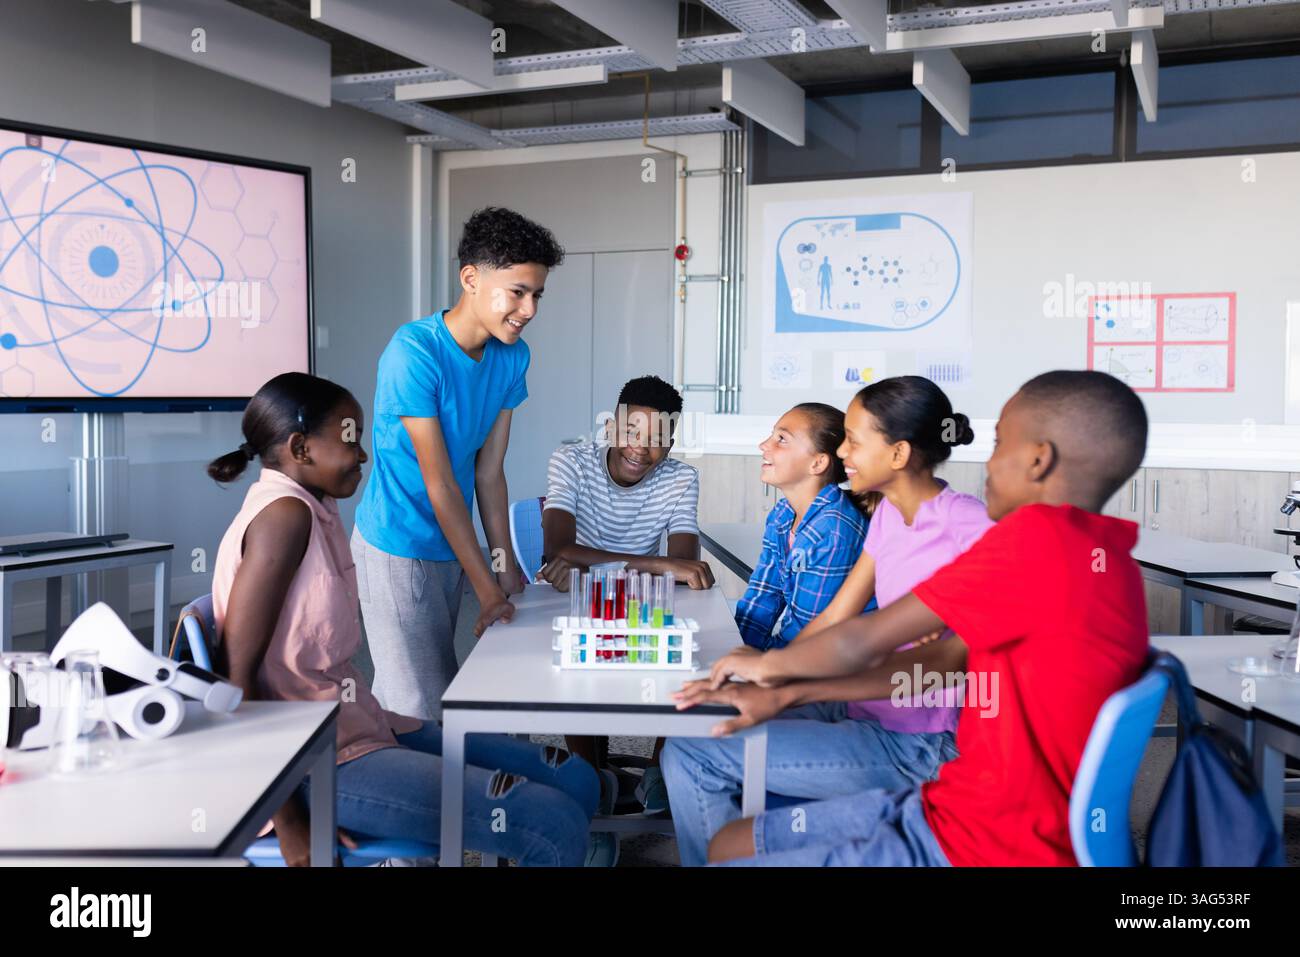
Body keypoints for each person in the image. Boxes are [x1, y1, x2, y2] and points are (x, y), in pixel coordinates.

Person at [678, 370, 1150, 866]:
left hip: (979, 841)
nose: (987, 460)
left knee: (731, 847)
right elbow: (942, 661)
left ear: (1038, 459)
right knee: (727, 844)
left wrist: (768, 670)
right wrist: (794, 690)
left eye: (999, 443)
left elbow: (862, 640)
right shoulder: (1104, 555)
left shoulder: (1033, 540)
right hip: (952, 805)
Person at [209, 372, 600, 866]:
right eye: (350, 438)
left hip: (352, 722)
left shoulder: (315, 506)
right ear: (300, 448)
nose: (363, 455)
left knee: (575, 778)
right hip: (307, 764)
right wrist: (290, 822)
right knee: (550, 823)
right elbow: (234, 679)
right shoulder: (284, 516)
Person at [662, 377, 989, 865]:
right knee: (707, 723)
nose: (845, 454)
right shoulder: (887, 516)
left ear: (898, 454)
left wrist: (781, 678)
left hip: (920, 744)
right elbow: (839, 615)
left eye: (854, 441)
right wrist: (764, 667)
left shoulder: (968, 524)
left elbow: (970, 650)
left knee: (694, 754)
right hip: (862, 707)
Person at [352, 206, 564, 721]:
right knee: (418, 702)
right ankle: (395, 790)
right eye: (518, 291)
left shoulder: (513, 357)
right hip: (398, 545)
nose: (530, 308)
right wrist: (487, 590)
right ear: (471, 278)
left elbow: (488, 471)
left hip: (452, 545)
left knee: (437, 684)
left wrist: (502, 562)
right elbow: (441, 482)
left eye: (537, 294)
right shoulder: (414, 352)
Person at [537, 374, 713, 818]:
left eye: (657, 439)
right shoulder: (571, 460)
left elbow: (686, 568)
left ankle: (658, 767)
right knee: (574, 670)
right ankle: (590, 778)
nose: (640, 447)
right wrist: (655, 565)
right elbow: (557, 551)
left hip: (636, 602)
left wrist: (600, 565)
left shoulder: (681, 478)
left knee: (683, 658)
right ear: (611, 429)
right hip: (571, 600)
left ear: (671, 445)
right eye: (631, 431)